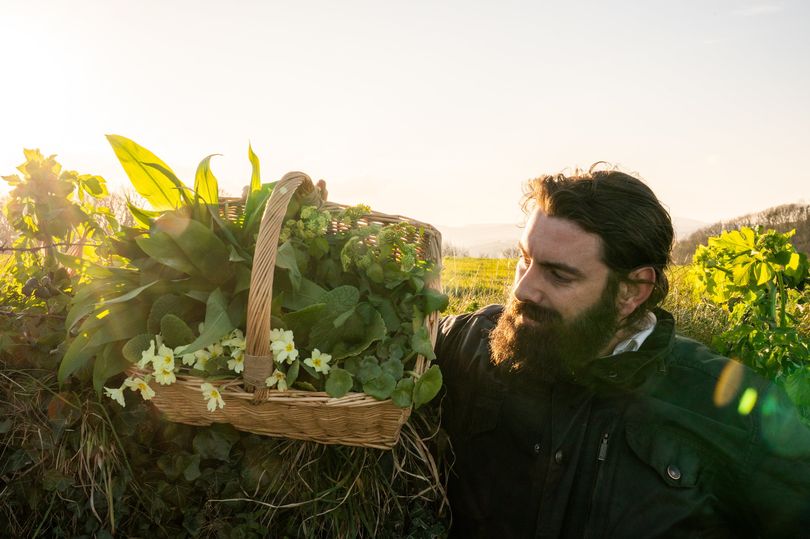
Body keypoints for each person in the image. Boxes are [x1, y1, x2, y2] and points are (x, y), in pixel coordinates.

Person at [434, 165, 810, 538]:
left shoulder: (734, 412)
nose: (523, 289)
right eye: (525, 260)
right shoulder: (468, 343)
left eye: (559, 275)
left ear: (632, 291)